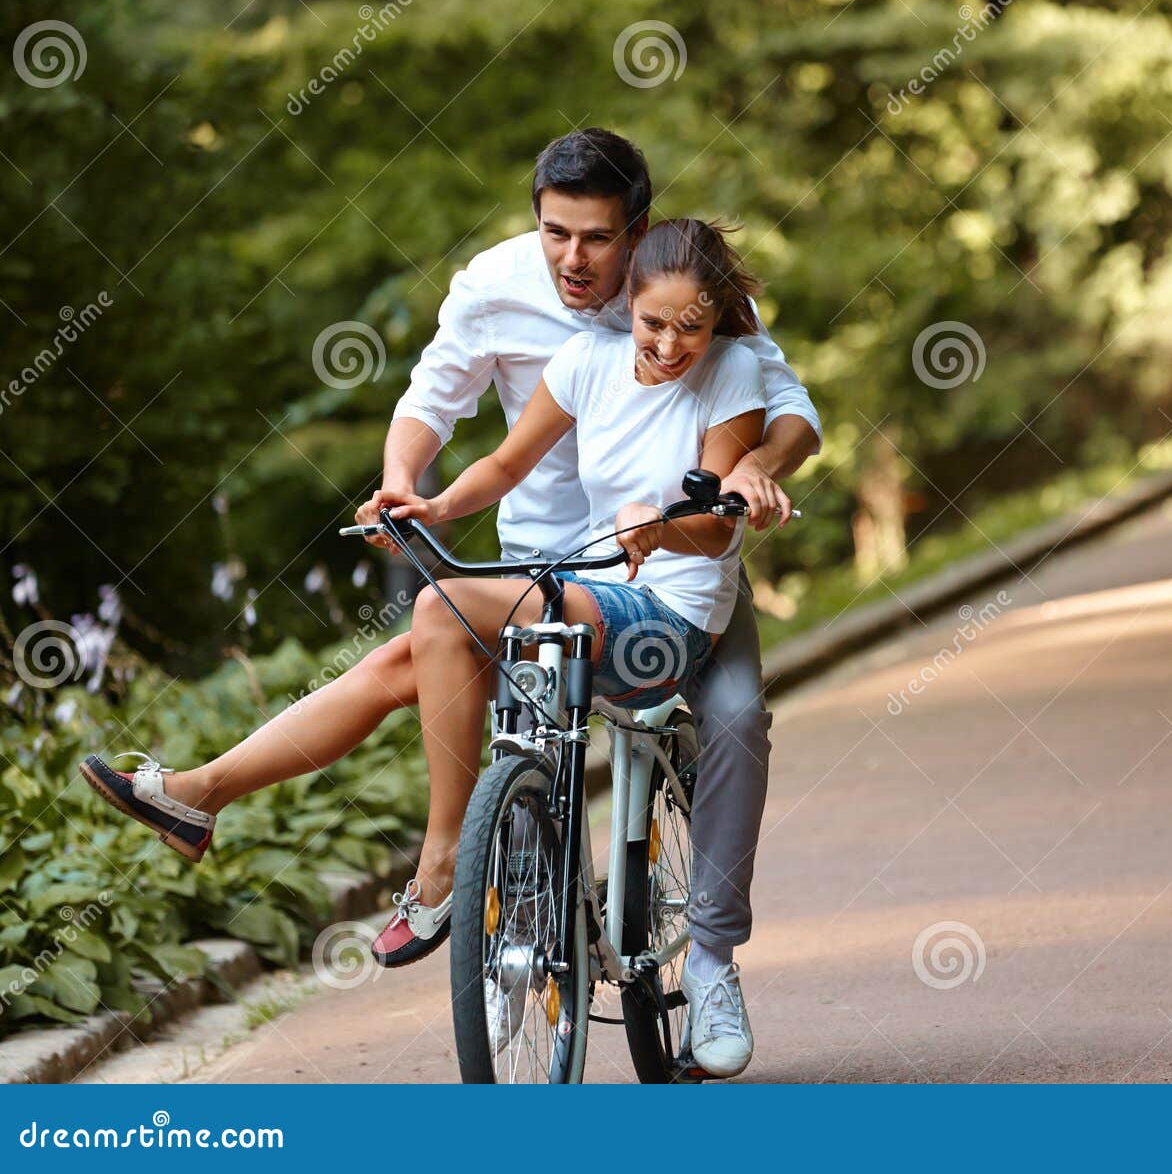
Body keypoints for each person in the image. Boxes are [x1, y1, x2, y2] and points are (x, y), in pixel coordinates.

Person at [78, 128, 821, 1078]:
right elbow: (463, 426)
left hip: (664, 583)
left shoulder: (699, 302)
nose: (574, 262)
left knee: (736, 719)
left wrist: (744, 474)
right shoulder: (512, 297)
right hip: (547, 567)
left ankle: (674, 950)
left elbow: (783, 406)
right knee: (416, 656)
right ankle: (203, 796)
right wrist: (408, 489)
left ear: (636, 237)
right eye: (557, 235)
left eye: (597, 240)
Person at [373, 217, 764, 1073]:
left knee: (453, 615)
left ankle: (706, 968)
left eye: (689, 327)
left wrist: (658, 527)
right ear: (629, 305)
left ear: (716, 319)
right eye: (653, 323)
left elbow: (716, 531)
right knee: (443, 611)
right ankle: (491, 829)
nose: (668, 345)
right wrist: (433, 508)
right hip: (594, 587)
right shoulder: (587, 361)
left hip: (674, 616)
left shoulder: (733, 374)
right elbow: (506, 466)